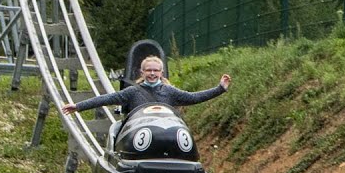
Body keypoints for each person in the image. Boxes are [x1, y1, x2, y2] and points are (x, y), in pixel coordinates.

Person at [62, 56, 230, 116]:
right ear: (141, 73)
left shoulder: (169, 91)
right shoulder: (133, 92)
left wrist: (220, 89)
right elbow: (106, 99)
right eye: (148, 70)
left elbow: (194, 97)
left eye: (155, 71)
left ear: (161, 73)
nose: (151, 73)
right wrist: (78, 106)